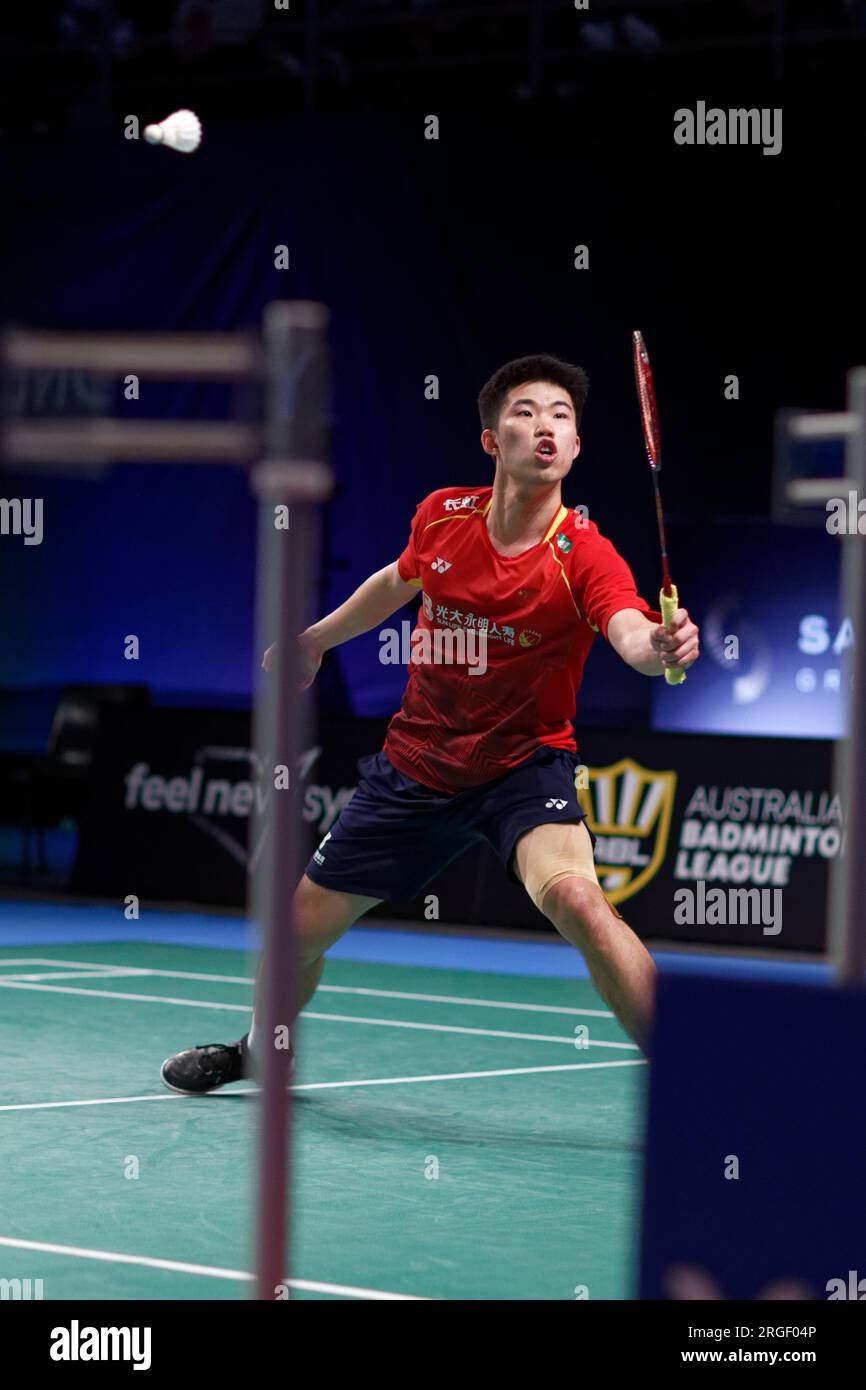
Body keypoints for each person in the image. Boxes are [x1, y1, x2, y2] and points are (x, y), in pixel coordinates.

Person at [161, 353, 700, 1093]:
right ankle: (260, 1049)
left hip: (521, 768)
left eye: (562, 418)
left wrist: (659, 645)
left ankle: (690, 1082)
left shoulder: (583, 554)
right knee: (292, 938)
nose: (546, 426)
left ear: (575, 449)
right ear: (491, 439)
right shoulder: (444, 516)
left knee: (577, 897)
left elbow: (630, 630)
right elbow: (396, 581)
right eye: (526, 411)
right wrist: (315, 641)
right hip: (415, 767)